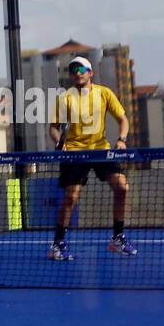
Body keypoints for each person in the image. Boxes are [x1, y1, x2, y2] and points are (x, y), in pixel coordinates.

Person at [47, 56, 136, 261]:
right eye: (73, 70)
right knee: (71, 198)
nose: (77, 73)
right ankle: (58, 244)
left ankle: (117, 238)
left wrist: (122, 139)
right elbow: (53, 128)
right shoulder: (65, 98)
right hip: (75, 154)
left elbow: (123, 120)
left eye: (81, 69)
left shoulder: (104, 93)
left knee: (122, 187)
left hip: (101, 150)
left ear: (90, 73)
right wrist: (60, 142)